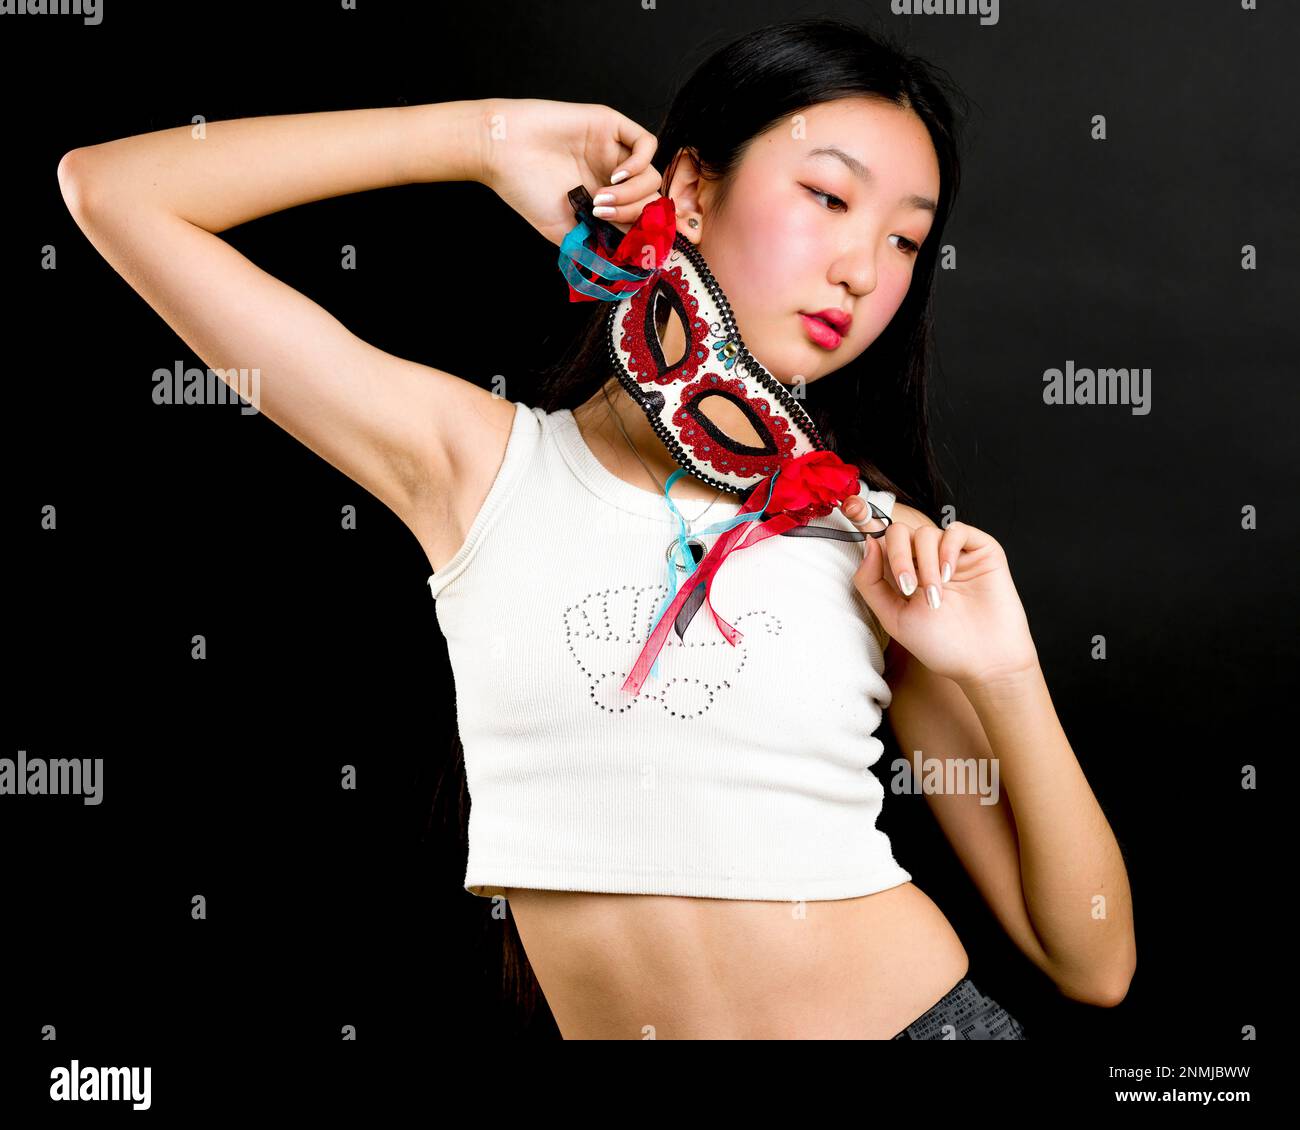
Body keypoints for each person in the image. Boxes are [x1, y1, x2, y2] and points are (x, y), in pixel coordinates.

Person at [57, 15, 1135, 1039]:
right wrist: (484, 136)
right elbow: (114, 190)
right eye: (825, 196)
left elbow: (1093, 961)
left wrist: (1006, 672)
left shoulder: (877, 541)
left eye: (907, 239)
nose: (865, 269)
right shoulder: (476, 464)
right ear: (690, 188)